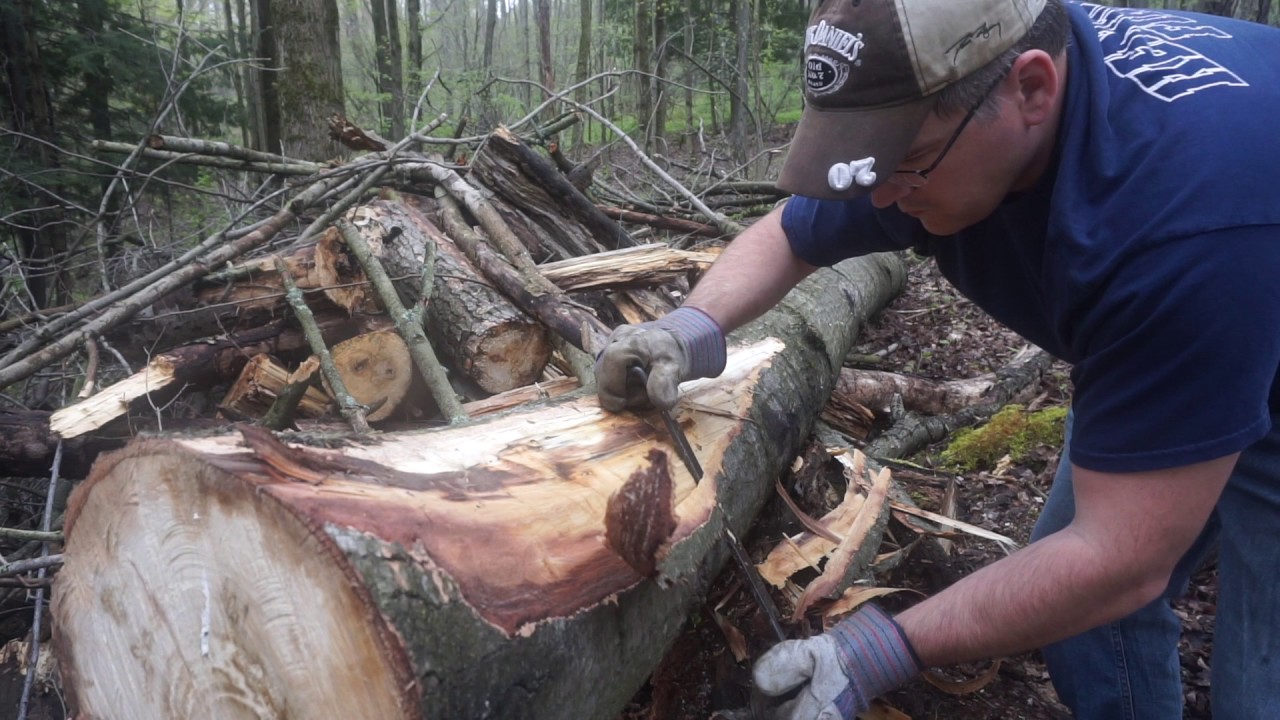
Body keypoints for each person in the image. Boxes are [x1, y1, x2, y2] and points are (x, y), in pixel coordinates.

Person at [594, 0, 1280, 717]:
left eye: (906, 165)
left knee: (1258, 677)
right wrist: (688, 329)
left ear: (1033, 90)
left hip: (1238, 279)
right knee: (1089, 625)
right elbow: (790, 235)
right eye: (866, 164)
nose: (881, 196)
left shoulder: (1182, 227)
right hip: (1185, 328)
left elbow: (1119, 559)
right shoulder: (951, 106)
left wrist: (880, 650)